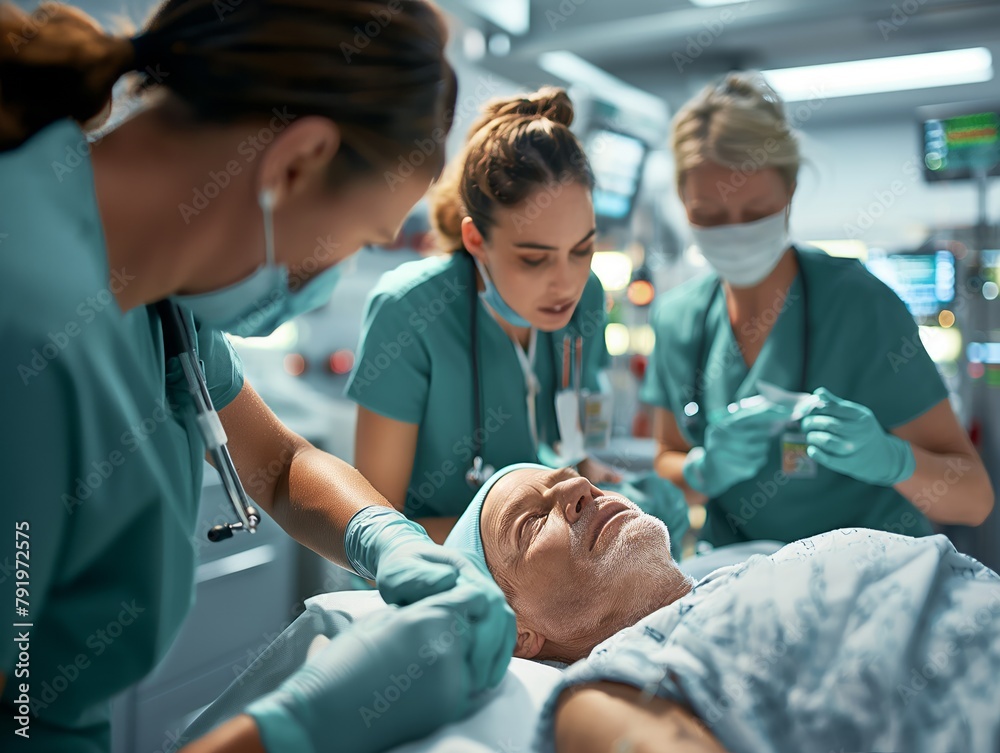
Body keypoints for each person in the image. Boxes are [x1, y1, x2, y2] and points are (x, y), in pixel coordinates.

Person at [0, 2, 514, 751]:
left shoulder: (157, 297)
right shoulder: (28, 327)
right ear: (296, 163)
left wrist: (390, 539)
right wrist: (294, 728)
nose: (335, 276)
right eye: (360, 237)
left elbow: (280, 466)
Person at [642, 72, 993, 550]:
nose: (735, 232)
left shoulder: (861, 306)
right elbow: (668, 462)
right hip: (741, 575)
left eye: (755, 211)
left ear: (788, 194)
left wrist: (895, 460)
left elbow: (974, 499)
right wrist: (702, 470)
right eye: (710, 217)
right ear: (683, 203)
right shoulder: (679, 318)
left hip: (872, 574)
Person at [443, 464, 1000, 753]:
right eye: (532, 523)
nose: (581, 490)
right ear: (519, 634)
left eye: (573, 478)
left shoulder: (747, 572)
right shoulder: (610, 695)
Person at [347, 87, 688, 547]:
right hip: (434, 589)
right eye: (534, 258)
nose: (565, 282)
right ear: (476, 240)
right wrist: (525, 537)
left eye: (582, 249)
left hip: (545, 578)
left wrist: (612, 493)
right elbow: (373, 533)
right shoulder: (409, 312)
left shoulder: (586, 299)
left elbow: (574, 451)